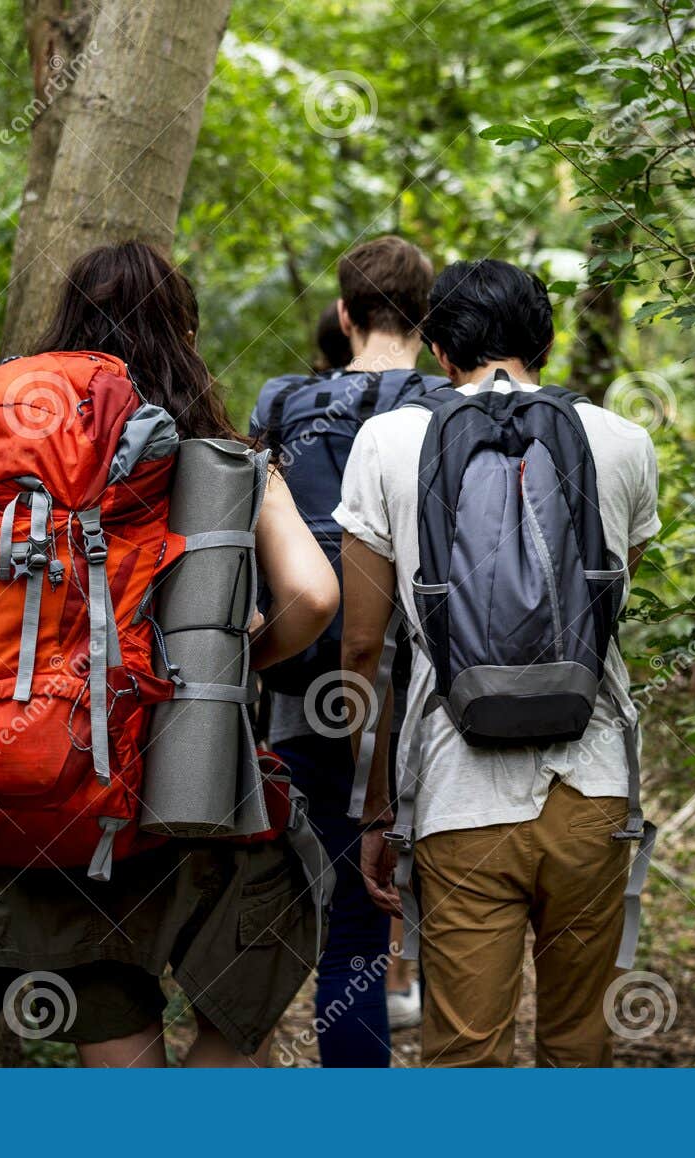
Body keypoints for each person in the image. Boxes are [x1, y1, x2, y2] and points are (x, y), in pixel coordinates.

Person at [0, 241, 339, 1068]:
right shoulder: (227, 460)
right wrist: (232, 669)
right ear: (185, 336)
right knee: (266, 954)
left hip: (66, 801)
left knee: (117, 1063)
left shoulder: (16, 488)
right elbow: (314, 595)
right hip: (201, 794)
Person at [338, 258, 661, 1067]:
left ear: (439, 349)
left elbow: (363, 648)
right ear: (545, 343)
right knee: (575, 1046)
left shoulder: (387, 441)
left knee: (466, 1058)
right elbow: (605, 612)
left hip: (457, 792)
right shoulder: (624, 442)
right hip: (592, 786)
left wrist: (377, 810)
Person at [250, 235, 443, 1067]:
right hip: (427, 712)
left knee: (344, 934)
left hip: (302, 694)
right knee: (404, 924)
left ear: (343, 313)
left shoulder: (286, 404)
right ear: (430, 321)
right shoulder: (451, 408)